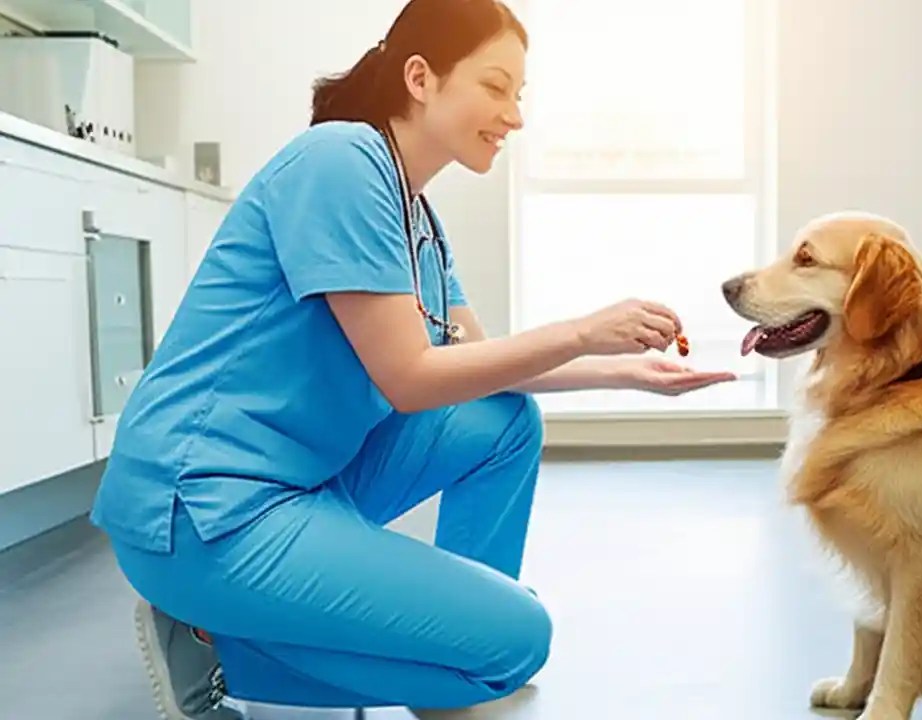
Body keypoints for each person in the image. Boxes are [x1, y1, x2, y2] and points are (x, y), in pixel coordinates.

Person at [89, 1, 737, 717]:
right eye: (496, 87)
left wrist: (627, 374)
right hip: (205, 508)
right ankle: (213, 646)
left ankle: (453, 628)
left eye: (519, 95)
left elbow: (483, 363)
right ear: (421, 77)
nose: (514, 115)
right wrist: (583, 332)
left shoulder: (416, 215)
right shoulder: (339, 160)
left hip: (299, 482)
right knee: (518, 642)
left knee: (504, 419)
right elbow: (409, 379)